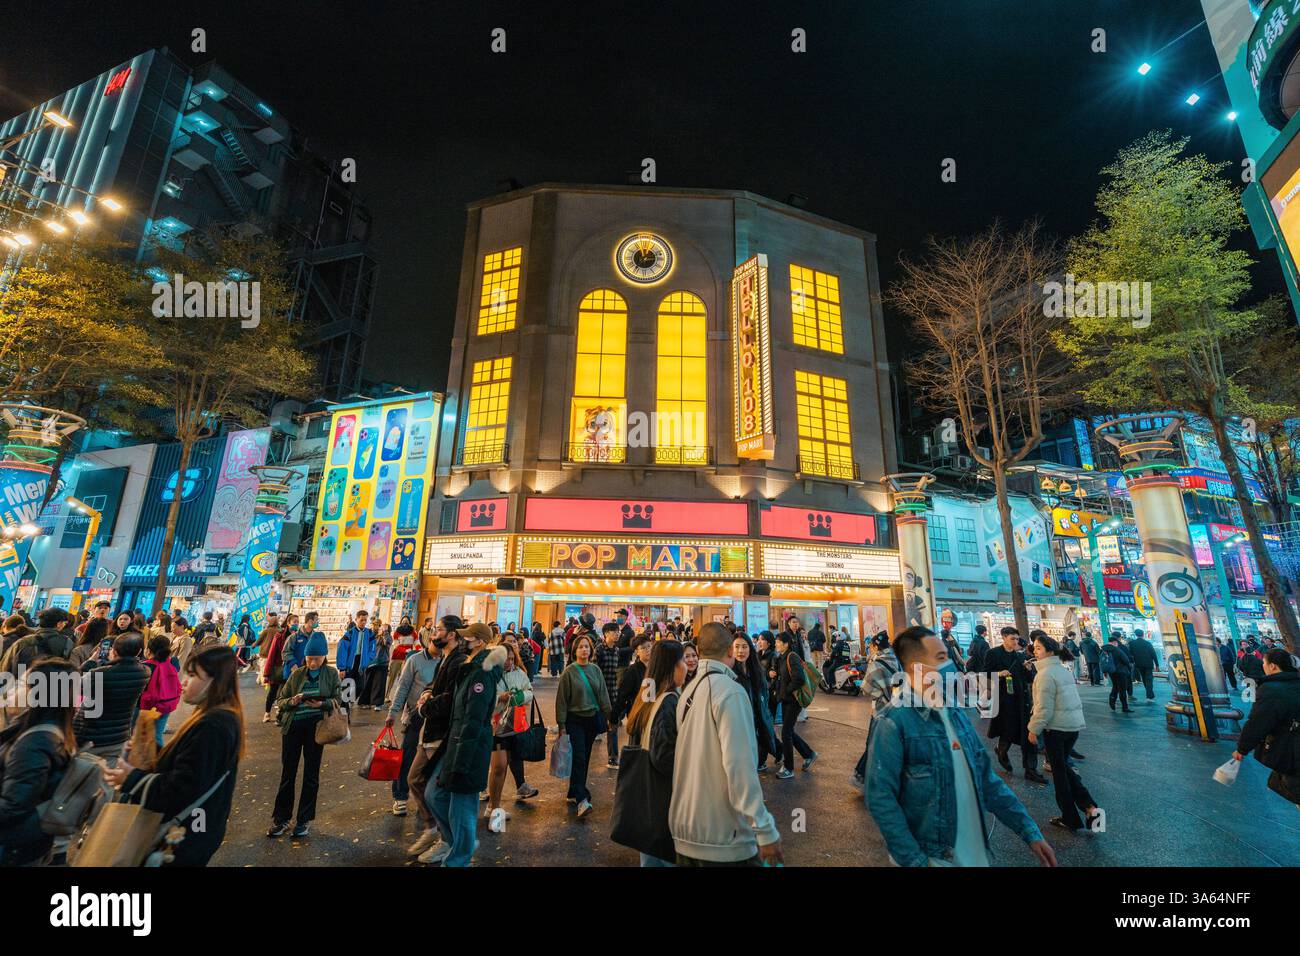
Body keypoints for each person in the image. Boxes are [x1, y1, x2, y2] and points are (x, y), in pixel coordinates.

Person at [865, 625, 1057, 867]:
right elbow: (880, 798)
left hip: (977, 857)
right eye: (941, 658)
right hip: (934, 858)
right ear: (918, 668)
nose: (951, 666)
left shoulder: (955, 714)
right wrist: (916, 861)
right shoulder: (893, 722)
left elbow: (987, 781)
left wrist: (1030, 832)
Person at [103, 645, 243, 866]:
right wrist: (150, 752)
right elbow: (193, 766)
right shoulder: (216, 717)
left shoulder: (213, 725)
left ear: (215, 682)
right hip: (198, 828)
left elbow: (182, 788)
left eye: (193, 675)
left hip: (183, 835)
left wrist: (131, 778)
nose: (183, 682)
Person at [667, 622, 782, 866]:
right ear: (730, 650)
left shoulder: (687, 691)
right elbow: (740, 766)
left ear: (698, 651)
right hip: (724, 838)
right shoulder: (730, 691)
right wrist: (764, 828)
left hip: (684, 830)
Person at [428, 623, 506, 866]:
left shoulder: (481, 673)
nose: (463, 640)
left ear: (479, 641)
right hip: (457, 742)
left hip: (468, 746)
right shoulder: (470, 668)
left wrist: (463, 754)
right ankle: (458, 844)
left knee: (461, 807)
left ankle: (458, 858)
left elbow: (474, 716)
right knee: (434, 793)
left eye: (467, 637)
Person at [0, 659, 76, 865]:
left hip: (12, 846)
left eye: (22, 685)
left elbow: (14, 806)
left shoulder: (35, 742)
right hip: (29, 842)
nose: (13, 690)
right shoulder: (51, 727)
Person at [270, 631, 342, 839]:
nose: (312, 663)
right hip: (293, 727)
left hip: (316, 729)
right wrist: (292, 701)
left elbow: (337, 699)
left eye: (316, 659)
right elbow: (281, 700)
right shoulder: (297, 674)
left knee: (311, 774)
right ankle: (281, 819)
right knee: (288, 773)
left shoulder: (331, 674)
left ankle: (303, 820)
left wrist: (322, 703)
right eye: (309, 659)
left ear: (324, 657)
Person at [1027, 634, 1102, 833]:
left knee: (1061, 777)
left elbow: (1043, 708)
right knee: (1065, 770)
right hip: (1072, 728)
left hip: (1056, 730)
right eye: (1034, 648)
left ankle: (1071, 818)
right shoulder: (1062, 670)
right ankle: (1090, 807)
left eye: (1039, 648)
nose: (1035, 651)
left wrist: (1033, 729)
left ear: (1050, 651)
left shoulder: (1044, 675)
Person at [409, 616, 469, 863]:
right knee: (414, 779)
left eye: (439, 630)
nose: (434, 633)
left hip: (442, 735)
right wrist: (426, 693)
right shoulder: (446, 658)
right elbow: (435, 686)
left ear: (452, 634)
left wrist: (425, 707)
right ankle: (433, 827)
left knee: (436, 791)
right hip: (430, 732)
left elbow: (450, 698)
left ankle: (448, 839)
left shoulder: (458, 661)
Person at [623, 639, 685, 866]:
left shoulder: (648, 696)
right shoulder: (668, 700)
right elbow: (663, 755)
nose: (687, 666)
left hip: (645, 794)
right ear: (674, 666)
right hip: (662, 795)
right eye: (683, 660)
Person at [385, 620, 442, 819]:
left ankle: (424, 800)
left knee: (431, 760)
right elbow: (403, 687)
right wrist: (393, 712)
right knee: (408, 756)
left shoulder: (448, 661)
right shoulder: (415, 660)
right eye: (436, 639)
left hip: (437, 719)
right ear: (430, 639)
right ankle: (400, 797)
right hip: (415, 716)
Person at [555, 632, 612, 818]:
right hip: (574, 720)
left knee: (585, 757)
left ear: (591, 650)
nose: (584, 649)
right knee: (579, 756)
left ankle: (573, 791)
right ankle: (582, 799)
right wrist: (561, 724)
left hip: (592, 720)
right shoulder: (569, 672)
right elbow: (562, 700)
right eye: (580, 647)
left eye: (587, 646)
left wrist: (610, 716)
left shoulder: (595, 670)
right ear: (574, 651)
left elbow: (603, 695)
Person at [1233, 648, 1300, 803]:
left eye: (1264, 662)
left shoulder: (1272, 690)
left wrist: (1242, 748)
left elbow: (1258, 723)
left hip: (1289, 749)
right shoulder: (1295, 683)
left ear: (1273, 666)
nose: (1263, 665)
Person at [980, 626, 1044, 783]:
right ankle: (1001, 751)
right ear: (1004, 637)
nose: (1015, 642)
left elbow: (1029, 679)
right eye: (1012, 639)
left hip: (1022, 700)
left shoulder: (1021, 656)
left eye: (1017, 639)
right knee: (1008, 730)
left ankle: (1030, 769)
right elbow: (985, 672)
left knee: (1028, 734)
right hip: (1004, 699)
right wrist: (998, 673)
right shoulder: (993, 653)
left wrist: (1029, 670)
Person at [485, 636, 535, 833]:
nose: (508, 662)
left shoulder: (520, 674)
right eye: (505, 658)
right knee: (499, 767)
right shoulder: (490, 675)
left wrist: (520, 696)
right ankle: (493, 806)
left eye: (512, 659)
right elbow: (487, 698)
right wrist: (500, 698)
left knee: (505, 767)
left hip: (515, 725)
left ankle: (494, 806)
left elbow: (529, 691)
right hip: (497, 727)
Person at [75, 632, 150, 759]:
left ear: (113, 651)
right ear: (139, 652)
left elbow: (75, 686)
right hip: (119, 737)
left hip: (90, 737)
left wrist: (91, 661)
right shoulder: (144, 672)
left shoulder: (98, 674)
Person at [853, 631, 901, 790]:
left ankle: (863, 776)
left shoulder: (876, 663)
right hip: (897, 707)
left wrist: (878, 692)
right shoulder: (897, 659)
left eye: (870, 646)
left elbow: (866, 689)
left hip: (880, 709)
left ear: (875, 646)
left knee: (873, 742)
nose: (869, 649)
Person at [771, 631, 817, 779]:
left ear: (786, 644)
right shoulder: (781, 658)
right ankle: (808, 753)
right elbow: (781, 677)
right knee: (788, 731)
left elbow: (799, 679)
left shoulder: (792, 657)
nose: (776, 644)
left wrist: (786, 692)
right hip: (785, 700)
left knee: (785, 733)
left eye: (778, 642)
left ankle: (789, 768)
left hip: (794, 701)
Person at [730, 633, 777, 773]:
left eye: (744, 647)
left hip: (755, 724)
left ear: (750, 649)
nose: (740, 651)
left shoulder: (756, 670)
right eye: (737, 647)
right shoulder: (729, 673)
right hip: (738, 727)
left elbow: (763, 697)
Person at [0, 606, 75, 676]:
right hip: (52, 686)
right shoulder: (67, 643)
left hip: (22, 684)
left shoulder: (23, 641)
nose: (64, 626)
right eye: (64, 623)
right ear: (59, 624)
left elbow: (6, 666)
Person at [141, 635, 183, 745]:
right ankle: (159, 759)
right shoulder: (174, 662)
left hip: (149, 706)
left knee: (142, 735)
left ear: (149, 650)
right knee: (157, 734)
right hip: (167, 704)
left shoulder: (145, 666)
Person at [595, 622, 623, 769]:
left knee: (613, 725)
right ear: (606, 634)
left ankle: (613, 757)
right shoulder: (599, 650)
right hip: (600, 694)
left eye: (618, 631)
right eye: (614, 632)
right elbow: (594, 672)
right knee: (595, 725)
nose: (617, 634)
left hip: (613, 692)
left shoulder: (617, 650)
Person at [336, 609, 376, 700]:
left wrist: (368, 659)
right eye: (361, 620)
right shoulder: (349, 633)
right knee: (347, 685)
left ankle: (351, 700)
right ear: (356, 619)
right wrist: (342, 668)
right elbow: (342, 650)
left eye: (365, 620)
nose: (363, 622)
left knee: (360, 686)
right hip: (349, 663)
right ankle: (344, 706)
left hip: (362, 663)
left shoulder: (369, 633)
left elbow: (373, 648)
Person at [260, 613, 293, 723]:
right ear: (288, 623)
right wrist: (268, 671)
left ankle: (279, 715)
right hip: (277, 667)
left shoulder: (297, 636)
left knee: (283, 693)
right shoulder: (279, 635)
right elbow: (273, 653)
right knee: (273, 691)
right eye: (294, 622)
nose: (296, 625)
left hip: (288, 669)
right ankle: (267, 713)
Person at [360, 619, 391, 710]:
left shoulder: (387, 637)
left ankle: (378, 704)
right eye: (374, 625)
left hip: (382, 663)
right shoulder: (372, 635)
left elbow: (387, 643)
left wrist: (385, 632)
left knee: (379, 684)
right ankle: (366, 702)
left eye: (379, 626)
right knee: (367, 683)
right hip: (370, 663)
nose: (377, 628)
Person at [1101, 632, 1134, 714]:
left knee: (1115, 686)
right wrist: (1129, 668)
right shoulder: (1117, 650)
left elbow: (1102, 662)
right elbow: (1126, 660)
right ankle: (1124, 707)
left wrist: (1105, 671)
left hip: (1112, 672)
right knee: (1122, 689)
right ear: (1115, 643)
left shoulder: (1104, 650)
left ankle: (1112, 699)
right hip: (1121, 672)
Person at [388, 616, 418, 702]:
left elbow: (416, 641)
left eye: (407, 621)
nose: (405, 622)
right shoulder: (397, 632)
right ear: (401, 622)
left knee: (404, 678)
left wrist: (419, 648)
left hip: (408, 658)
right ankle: (387, 695)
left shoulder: (413, 631)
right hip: (397, 657)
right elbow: (396, 645)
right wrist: (405, 650)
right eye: (404, 621)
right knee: (392, 677)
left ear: (409, 622)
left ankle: (400, 697)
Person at [281, 611, 318, 678]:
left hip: (308, 673)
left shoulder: (316, 637)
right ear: (310, 621)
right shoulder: (294, 636)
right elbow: (285, 652)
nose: (317, 622)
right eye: (316, 620)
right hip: (294, 673)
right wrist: (293, 664)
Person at [1129, 628, 1158, 702]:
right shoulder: (1147, 643)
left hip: (1138, 664)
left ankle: (1149, 695)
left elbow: (1130, 654)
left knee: (1144, 679)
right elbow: (1153, 654)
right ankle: (1149, 696)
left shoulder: (1132, 643)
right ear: (1143, 634)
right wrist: (1157, 665)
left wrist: (1133, 662)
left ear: (1136, 635)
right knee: (1149, 680)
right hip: (1148, 664)